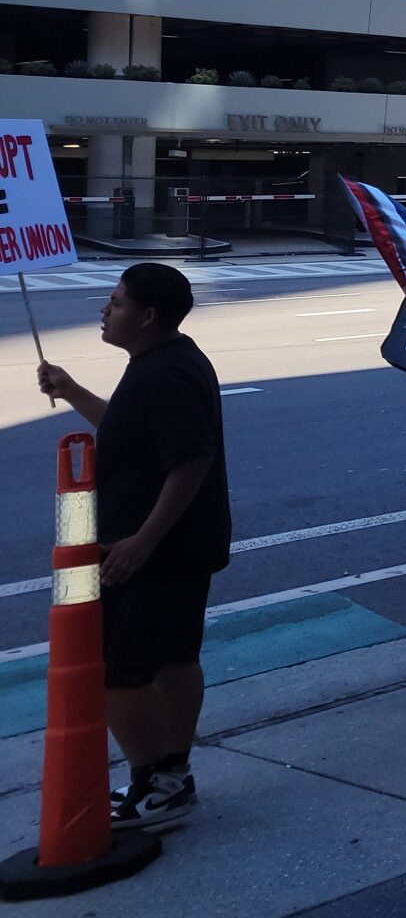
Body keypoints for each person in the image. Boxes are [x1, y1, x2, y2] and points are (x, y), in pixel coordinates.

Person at [35, 263, 231, 829]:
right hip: (183, 545)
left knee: (116, 671)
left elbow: (190, 462)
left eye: (116, 302)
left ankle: (157, 777)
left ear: (146, 317)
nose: (104, 308)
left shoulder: (165, 375)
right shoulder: (164, 360)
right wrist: (71, 391)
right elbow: (128, 430)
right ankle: (171, 777)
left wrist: (142, 542)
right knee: (173, 659)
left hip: (158, 551)